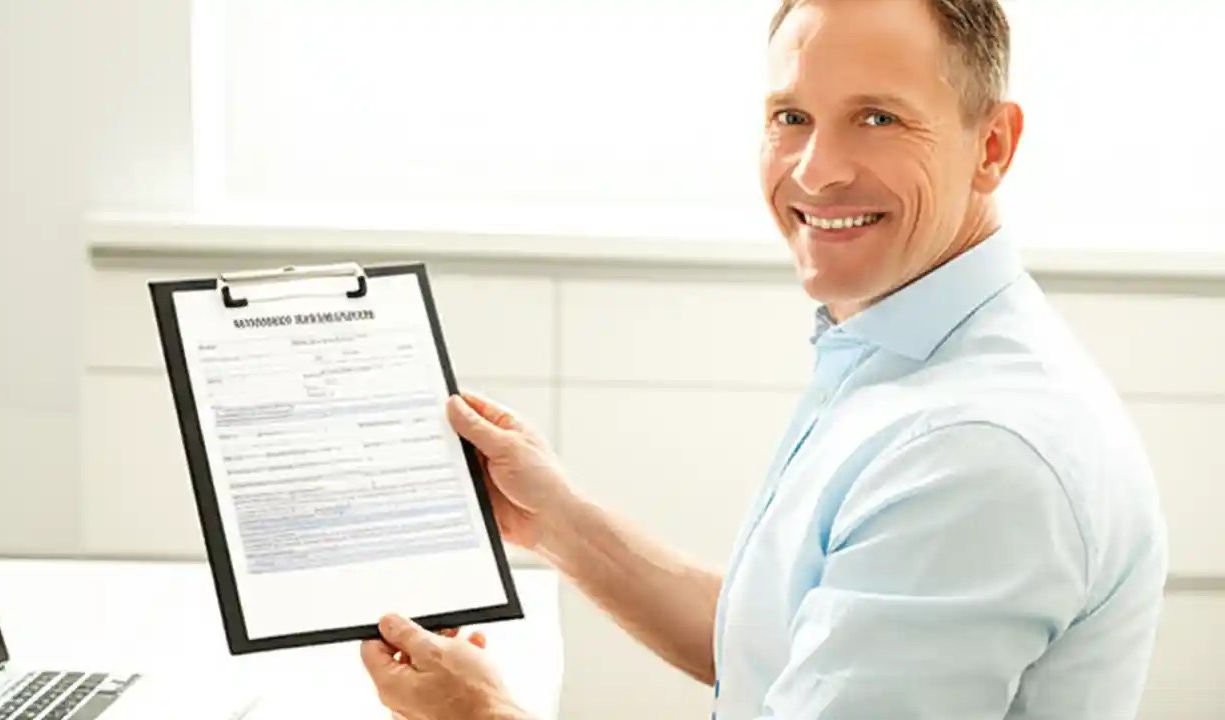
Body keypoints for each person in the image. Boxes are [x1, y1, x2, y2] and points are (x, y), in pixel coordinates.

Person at [360, 0, 1169, 717]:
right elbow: (792, 647)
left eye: (878, 118)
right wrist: (556, 522)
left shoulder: (974, 451)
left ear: (991, 144)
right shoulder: (907, 357)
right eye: (791, 117)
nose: (818, 169)